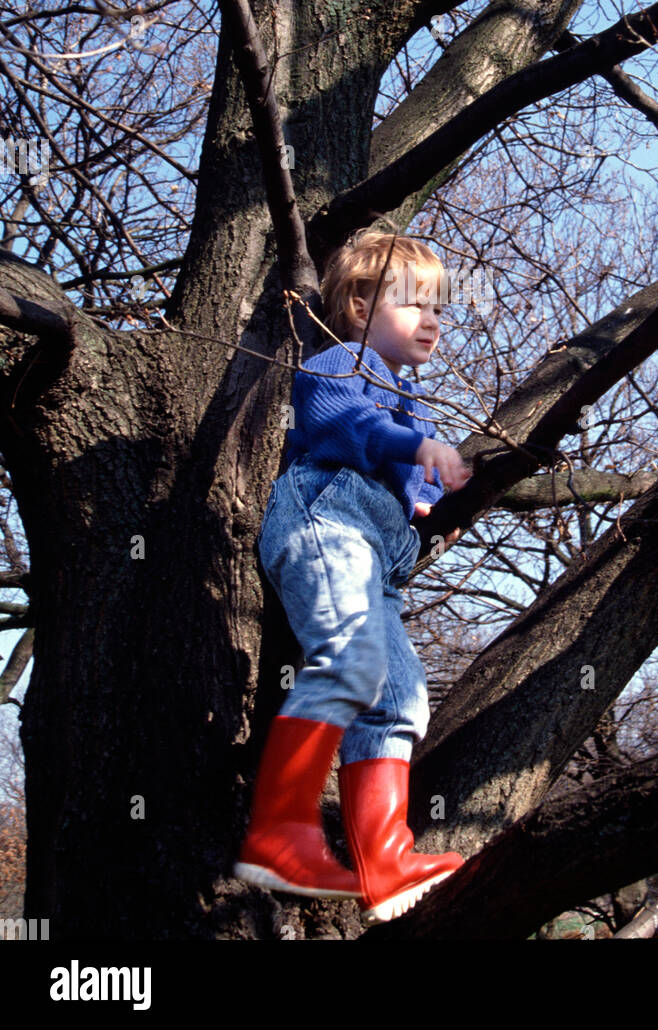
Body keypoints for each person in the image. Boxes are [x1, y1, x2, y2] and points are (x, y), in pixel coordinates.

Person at [235, 229, 472, 924]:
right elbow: (341, 422)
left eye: (439, 308)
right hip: (325, 518)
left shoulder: (407, 396)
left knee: (401, 700)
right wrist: (418, 445)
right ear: (363, 308)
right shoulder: (348, 360)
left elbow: (402, 474)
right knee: (352, 664)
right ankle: (279, 831)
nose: (432, 320)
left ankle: (385, 859)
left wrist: (432, 506)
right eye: (414, 304)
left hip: (375, 552)